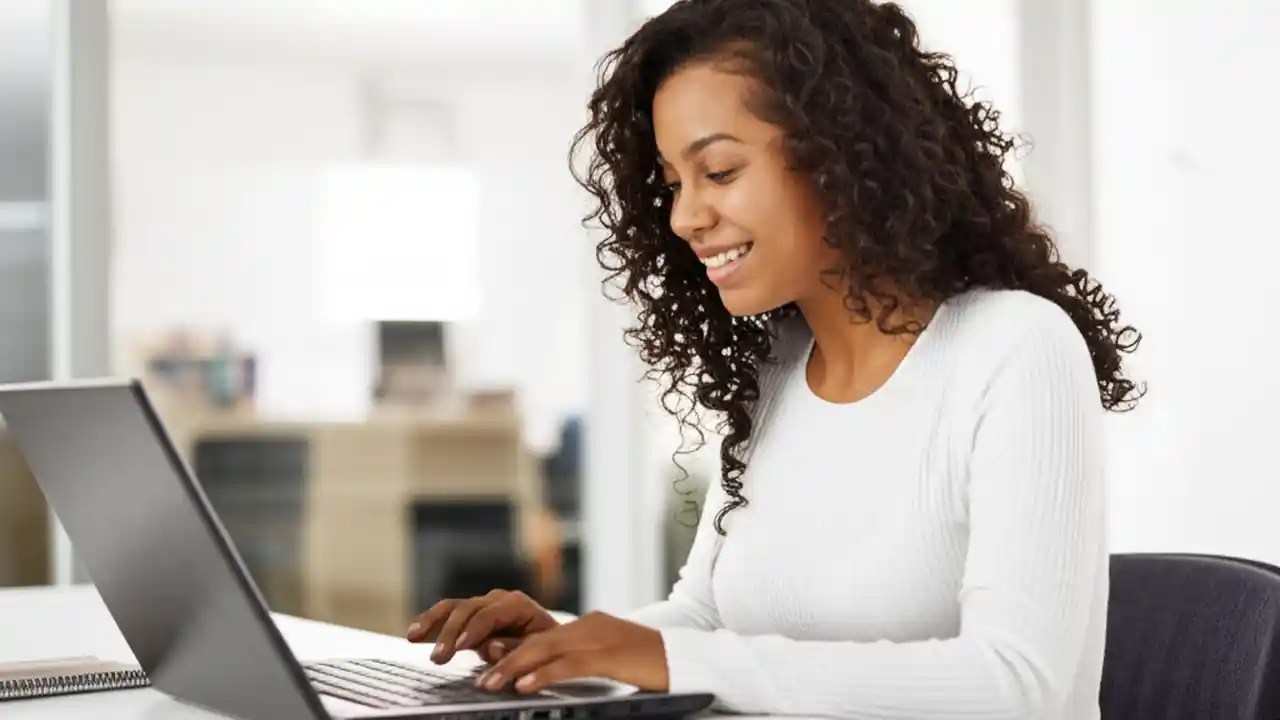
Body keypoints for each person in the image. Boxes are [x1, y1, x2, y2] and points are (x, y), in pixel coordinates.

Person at [405, 0, 1145, 717]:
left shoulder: (1017, 348)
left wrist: (669, 660)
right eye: (671, 183)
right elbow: (706, 613)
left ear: (845, 156)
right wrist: (572, 648)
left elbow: (1015, 686)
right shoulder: (779, 370)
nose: (685, 216)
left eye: (719, 172)